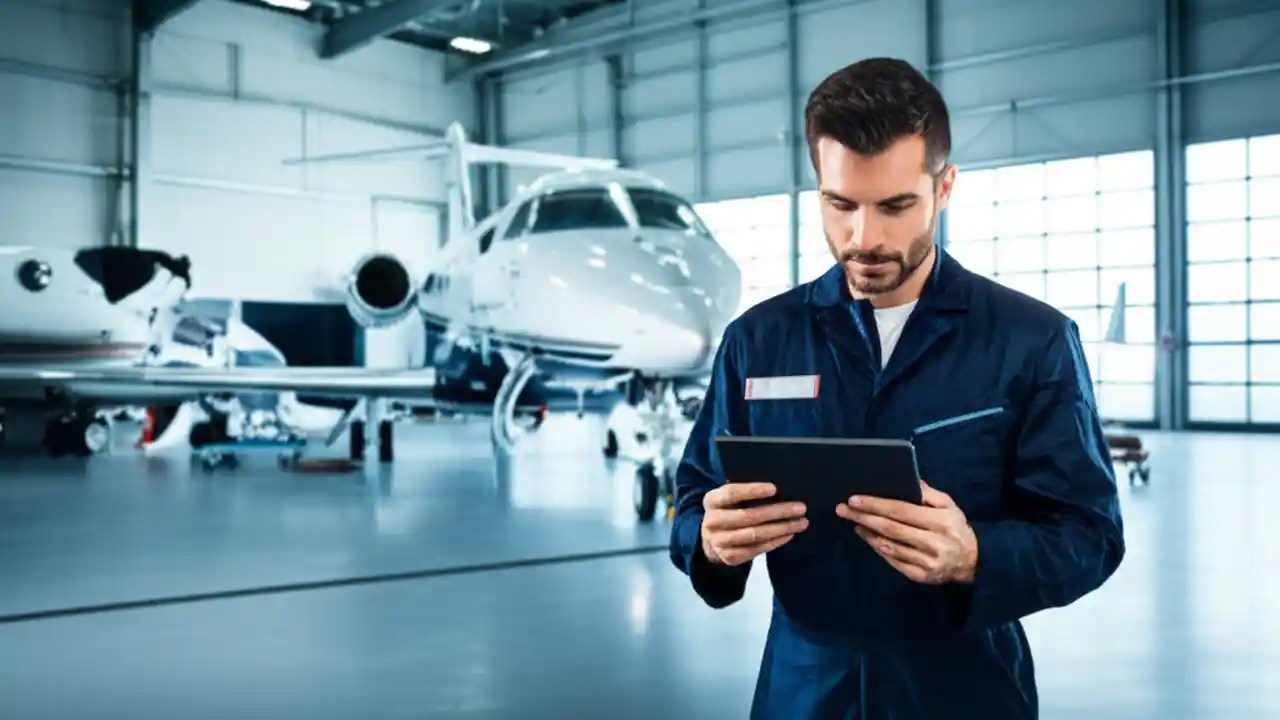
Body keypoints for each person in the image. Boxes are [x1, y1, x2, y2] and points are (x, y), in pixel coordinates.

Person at [668, 57, 1125, 719]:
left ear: (944, 188)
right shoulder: (756, 341)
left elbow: (1090, 535)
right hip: (801, 689)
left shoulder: (1033, 341)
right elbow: (692, 502)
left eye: (895, 205)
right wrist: (707, 542)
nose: (865, 237)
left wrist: (976, 556)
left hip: (966, 689)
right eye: (840, 204)